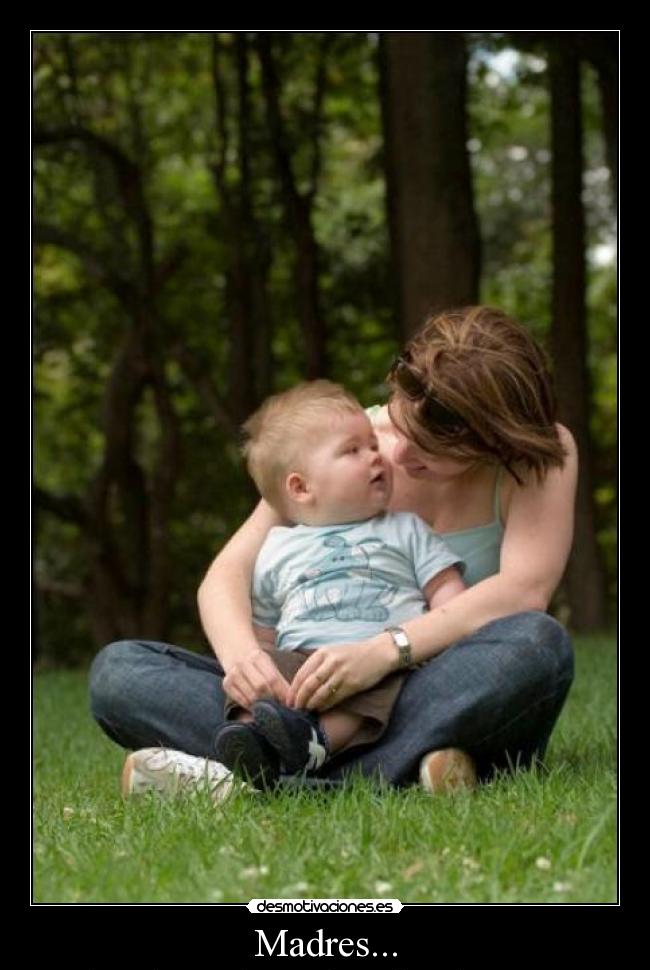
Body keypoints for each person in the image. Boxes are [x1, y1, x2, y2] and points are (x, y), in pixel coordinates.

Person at [90, 305, 577, 801]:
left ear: (494, 441)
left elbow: (524, 589)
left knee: (538, 646)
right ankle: (391, 770)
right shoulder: (346, 442)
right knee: (119, 672)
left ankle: (272, 778)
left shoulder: (539, 455)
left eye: (431, 451)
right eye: (401, 426)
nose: (397, 456)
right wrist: (246, 663)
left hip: (426, 685)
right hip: (304, 693)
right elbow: (227, 575)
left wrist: (384, 651)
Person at [212, 380, 466, 789]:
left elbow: (448, 594)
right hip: (300, 664)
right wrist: (257, 670)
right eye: (352, 451)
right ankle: (251, 741)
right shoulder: (277, 547)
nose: (375, 457)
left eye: (372, 444)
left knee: (373, 694)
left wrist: (439, 649)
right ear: (300, 487)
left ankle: (317, 745)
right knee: (252, 680)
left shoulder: (405, 529)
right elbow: (264, 629)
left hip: (380, 659)